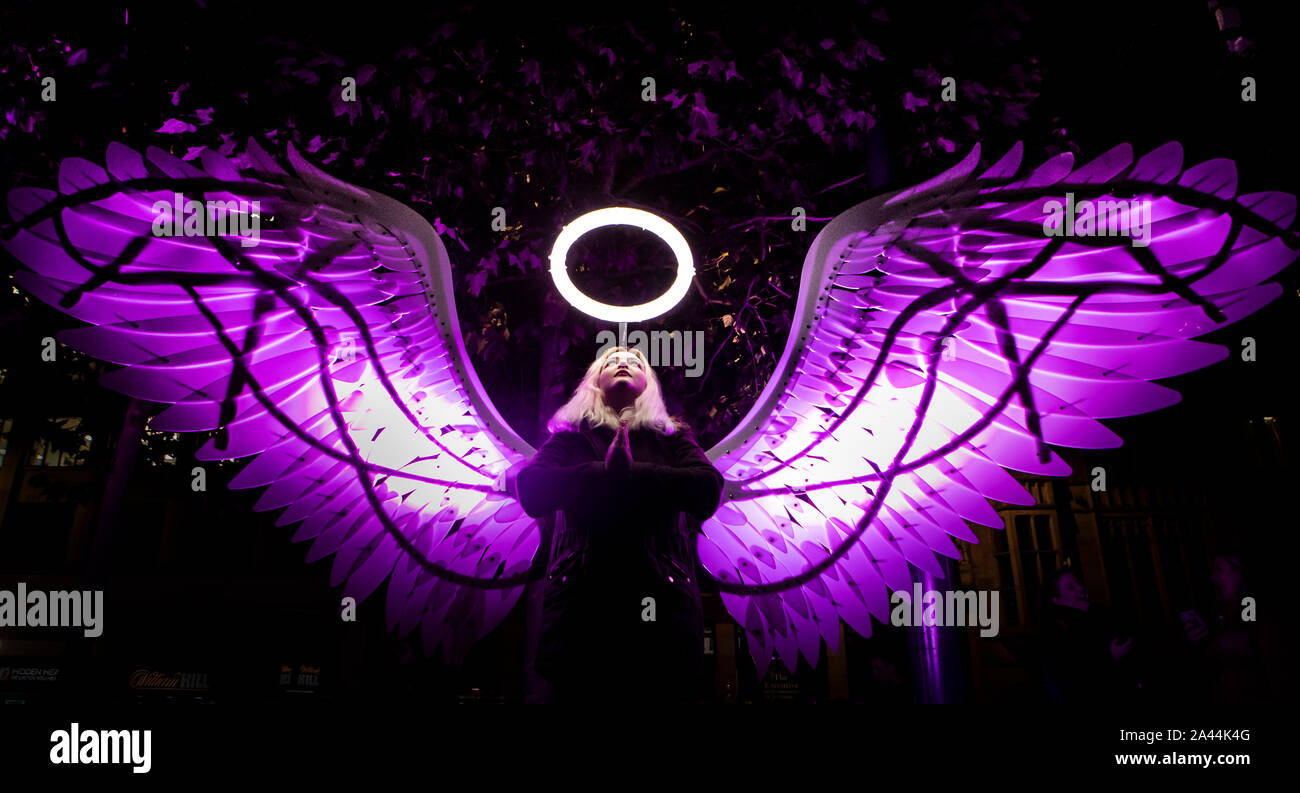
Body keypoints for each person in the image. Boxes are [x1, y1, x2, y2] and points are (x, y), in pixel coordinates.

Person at [506, 346, 724, 703]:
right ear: (595, 381)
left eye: (635, 361)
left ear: (648, 383)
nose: (623, 362)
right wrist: (601, 473)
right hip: (580, 619)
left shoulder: (671, 436)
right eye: (611, 360)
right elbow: (531, 489)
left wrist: (633, 473)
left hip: (660, 614)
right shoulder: (569, 436)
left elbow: (707, 489)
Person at [1037, 568, 1142, 703]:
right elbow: (1072, 676)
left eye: (1079, 584)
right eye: (1071, 587)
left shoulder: (1104, 616)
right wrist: (1110, 658)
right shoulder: (1055, 632)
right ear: (1056, 599)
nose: (1081, 589)